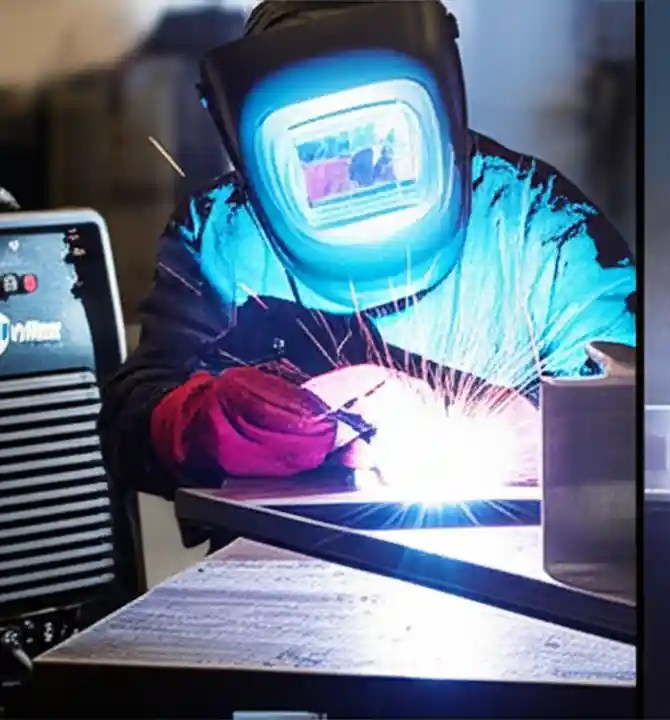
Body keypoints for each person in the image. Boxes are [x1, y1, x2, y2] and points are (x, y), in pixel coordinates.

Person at [97, 0, 636, 547]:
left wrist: (534, 432)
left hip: (507, 566)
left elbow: (630, 421)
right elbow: (127, 428)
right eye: (322, 157)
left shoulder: (538, 223)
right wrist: (205, 424)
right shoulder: (223, 232)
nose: (356, 179)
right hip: (281, 576)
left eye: (378, 148)